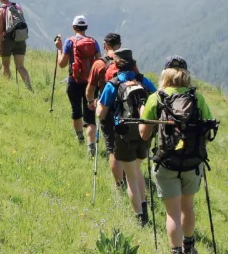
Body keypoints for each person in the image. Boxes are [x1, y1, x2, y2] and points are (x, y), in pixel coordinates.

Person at [138, 56, 215, 254]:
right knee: (187, 207)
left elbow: (144, 135)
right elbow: (207, 132)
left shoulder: (156, 97)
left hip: (166, 162)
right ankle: (189, 248)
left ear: (165, 74)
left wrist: (144, 116)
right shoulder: (197, 98)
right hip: (192, 162)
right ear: (186, 74)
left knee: (172, 212)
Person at [96, 48, 157, 226]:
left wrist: (97, 105)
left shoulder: (113, 84)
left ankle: (140, 217)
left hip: (124, 135)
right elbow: (157, 99)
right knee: (137, 170)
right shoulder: (143, 81)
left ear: (116, 64)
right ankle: (144, 207)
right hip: (144, 133)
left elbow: (101, 113)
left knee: (130, 177)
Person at [54, 16, 100, 154]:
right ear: (86, 27)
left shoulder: (69, 42)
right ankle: (91, 147)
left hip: (74, 82)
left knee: (76, 111)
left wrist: (59, 48)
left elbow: (62, 64)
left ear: (74, 27)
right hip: (91, 84)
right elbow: (99, 63)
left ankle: (80, 139)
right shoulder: (94, 42)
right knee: (90, 115)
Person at [87, 33, 125, 189]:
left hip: (107, 109)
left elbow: (90, 89)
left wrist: (91, 102)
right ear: (119, 45)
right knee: (125, 144)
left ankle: (120, 186)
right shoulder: (128, 62)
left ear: (105, 45)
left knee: (113, 149)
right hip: (127, 110)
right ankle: (130, 177)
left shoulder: (99, 64)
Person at [0, 0, 32, 90]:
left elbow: (0, 30)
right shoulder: (17, 6)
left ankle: (6, 88)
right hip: (20, 38)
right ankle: (29, 88)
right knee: (20, 66)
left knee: (5, 65)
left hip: (7, 40)